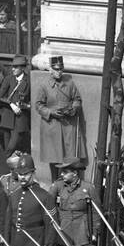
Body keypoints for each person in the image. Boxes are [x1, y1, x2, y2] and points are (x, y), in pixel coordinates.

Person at [35, 55, 86, 183]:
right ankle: (54, 182)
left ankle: (71, 181)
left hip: (68, 124)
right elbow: (38, 105)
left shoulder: (69, 83)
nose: (59, 72)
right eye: (56, 69)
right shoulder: (44, 85)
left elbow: (77, 99)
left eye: (61, 69)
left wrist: (73, 109)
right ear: (50, 69)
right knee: (54, 155)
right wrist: (51, 112)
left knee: (70, 153)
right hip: (51, 125)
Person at [0, 54, 31, 156]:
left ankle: (2, 167)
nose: (13, 69)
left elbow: (32, 100)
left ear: (22, 68)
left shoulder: (29, 81)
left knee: (10, 148)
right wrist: (12, 105)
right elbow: (0, 97)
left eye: (16, 67)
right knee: (8, 147)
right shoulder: (9, 79)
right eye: (12, 67)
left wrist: (25, 106)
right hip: (8, 117)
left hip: (20, 119)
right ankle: (7, 169)